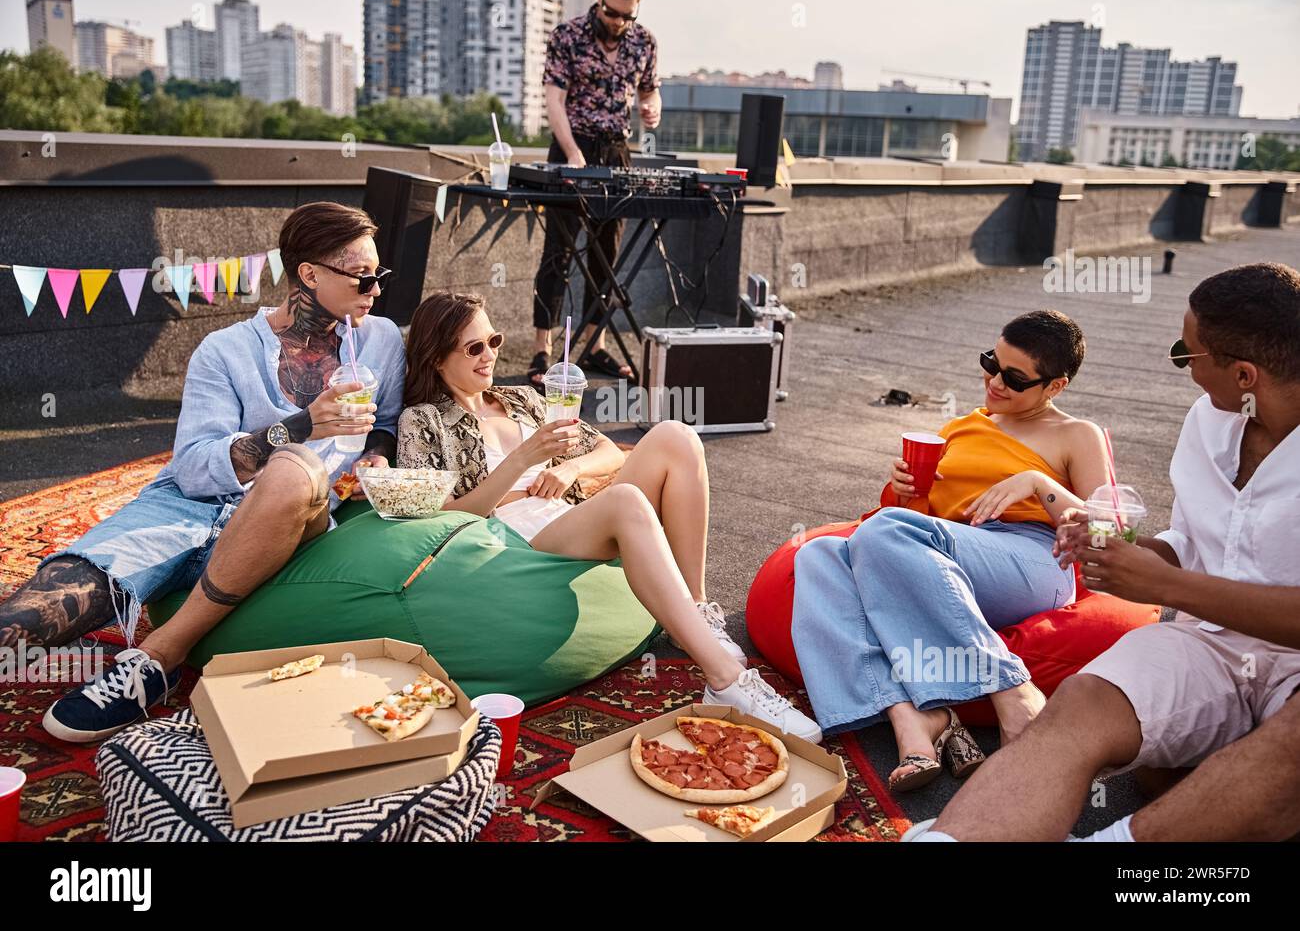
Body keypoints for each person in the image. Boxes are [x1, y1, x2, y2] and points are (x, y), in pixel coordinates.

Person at [914, 262, 1300, 841]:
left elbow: (1183, 583)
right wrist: (1122, 553)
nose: (1182, 369)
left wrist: (1165, 587)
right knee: (1081, 702)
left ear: (1245, 374)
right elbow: (1193, 548)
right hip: (1209, 642)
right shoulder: (1210, 421)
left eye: (1187, 355)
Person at [0, 202, 407, 743]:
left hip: (290, 510)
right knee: (32, 618)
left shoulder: (380, 339)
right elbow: (193, 468)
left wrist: (375, 453)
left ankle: (155, 659)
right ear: (309, 275)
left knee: (293, 469)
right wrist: (301, 424)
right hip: (187, 506)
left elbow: (386, 421)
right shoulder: (226, 350)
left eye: (379, 276)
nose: (375, 289)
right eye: (363, 277)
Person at [396, 291, 821, 741]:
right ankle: (726, 683)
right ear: (437, 357)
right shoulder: (423, 421)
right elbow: (442, 515)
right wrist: (521, 460)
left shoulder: (520, 398)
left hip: (568, 510)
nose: (490, 356)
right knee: (627, 503)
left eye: (495, 340)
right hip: (513, 535)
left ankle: (696, 611)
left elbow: (605, 450)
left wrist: (570, 468)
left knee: (676, 436)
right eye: (474, 347)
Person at [791, 310, 1112, 791]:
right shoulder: (962, 426)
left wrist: (1037, 482)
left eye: (1015, 378)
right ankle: (914, 721)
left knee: (886, 531)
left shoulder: (1076, 434)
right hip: (945, 557)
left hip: (1031, 558)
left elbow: (1109, 532)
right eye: (991, 362)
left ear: (1055, 386)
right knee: (815, 557)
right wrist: (901, 489)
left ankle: (1010, 688)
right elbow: (917, 518)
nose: (994, 382)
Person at [527, 0, 662, 388]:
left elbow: (649, 92)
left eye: (627, 15)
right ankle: (542, 349)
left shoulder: (645, 42)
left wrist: (651, 109)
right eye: (612, 12)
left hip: (616, 151)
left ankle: (594, 345)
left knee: (607, 252)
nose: (618, 21)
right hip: (573, 144)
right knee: (559, 251)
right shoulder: (567, 35)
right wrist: (571, 152)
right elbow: (554, 99)